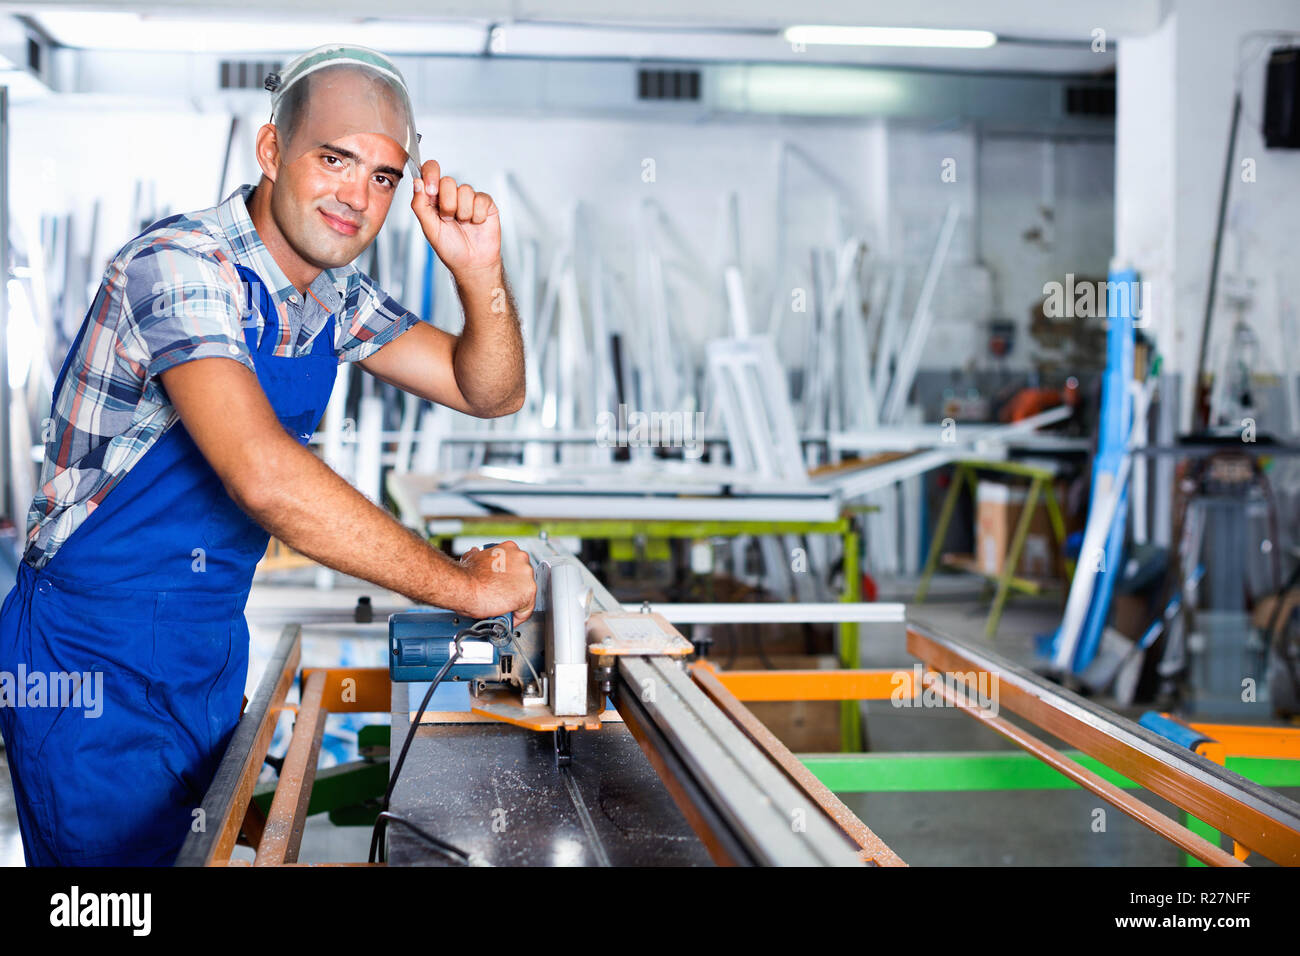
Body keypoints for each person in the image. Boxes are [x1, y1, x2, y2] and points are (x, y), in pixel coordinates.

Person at [0, 43, 536, 865]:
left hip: (202, 648)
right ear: (271, 151)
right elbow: (264, 475)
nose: (356, 197)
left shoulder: (333, 296)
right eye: (334, 159)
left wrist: (480, 272)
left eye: (384, 177)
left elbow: (488, 391)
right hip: (88, 662)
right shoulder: (181, 267)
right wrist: (461, 586)